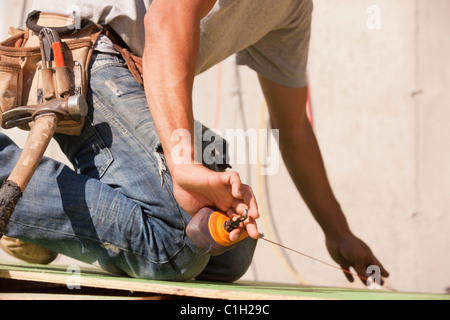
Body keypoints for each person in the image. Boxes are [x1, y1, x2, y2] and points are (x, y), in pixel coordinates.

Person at [0, 0, 389, 283]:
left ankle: (39, 216)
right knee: (172, 244)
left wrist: (338, 232)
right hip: (82, 49)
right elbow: (168, 20)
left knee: (227, 252)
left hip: (134, 73)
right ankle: (9, 181)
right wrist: (182, 165)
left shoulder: (293, 9)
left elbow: (293, 128)